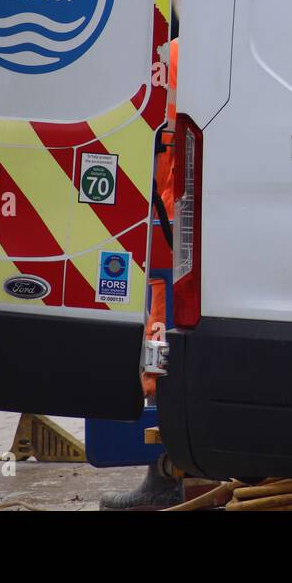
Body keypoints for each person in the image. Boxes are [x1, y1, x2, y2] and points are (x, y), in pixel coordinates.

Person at [100, 35, 181, 510]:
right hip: (192, 220)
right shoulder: (205, 48)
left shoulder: (163, 56)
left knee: (162, 345)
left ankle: (168, 476)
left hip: (168, 221)